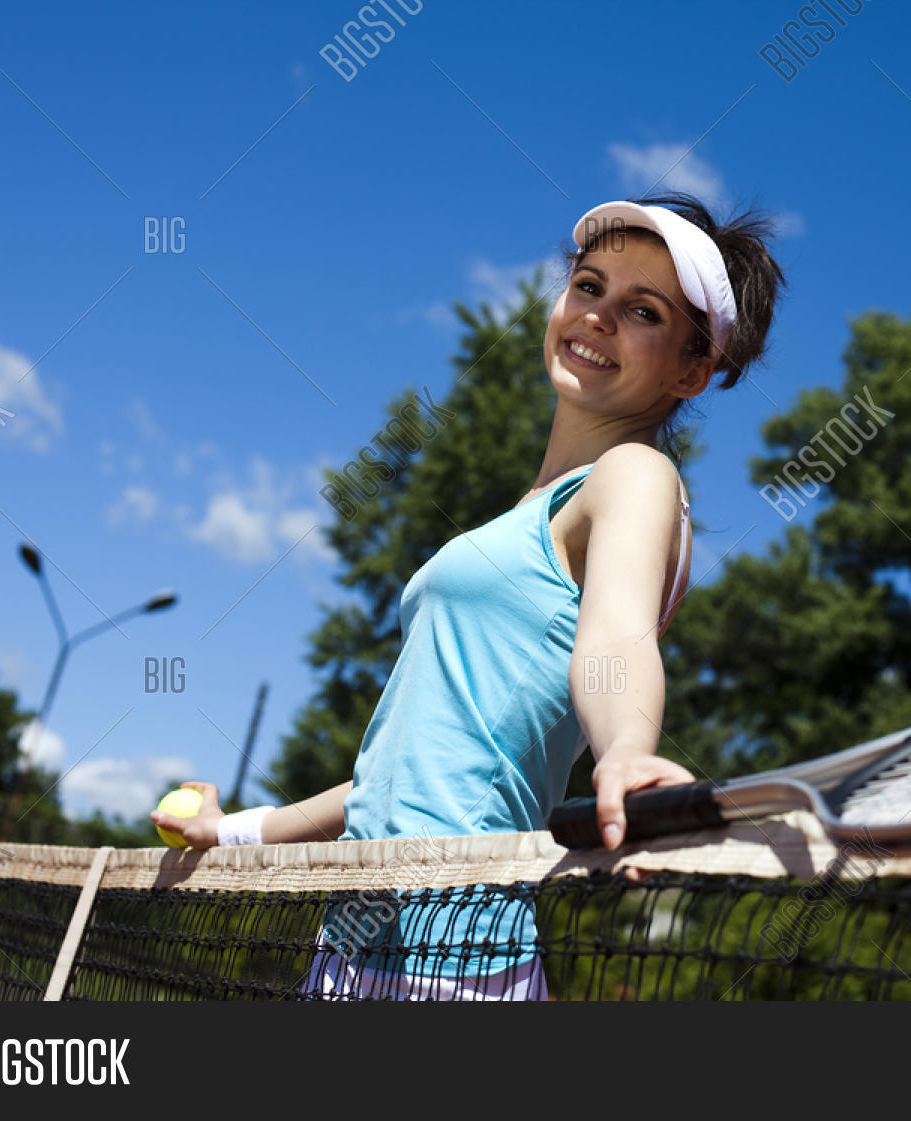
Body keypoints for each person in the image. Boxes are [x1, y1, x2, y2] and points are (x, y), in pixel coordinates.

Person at [151, 192, 786, 999]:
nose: (596, 316)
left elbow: (619, 640)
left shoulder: (634, 477)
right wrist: (233, 829)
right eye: (588, 286)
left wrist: (624, 747)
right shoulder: (532, 510)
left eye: (643, 310)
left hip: (457, 957)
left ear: (692, 370)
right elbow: (402, 776)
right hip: (353, 944)